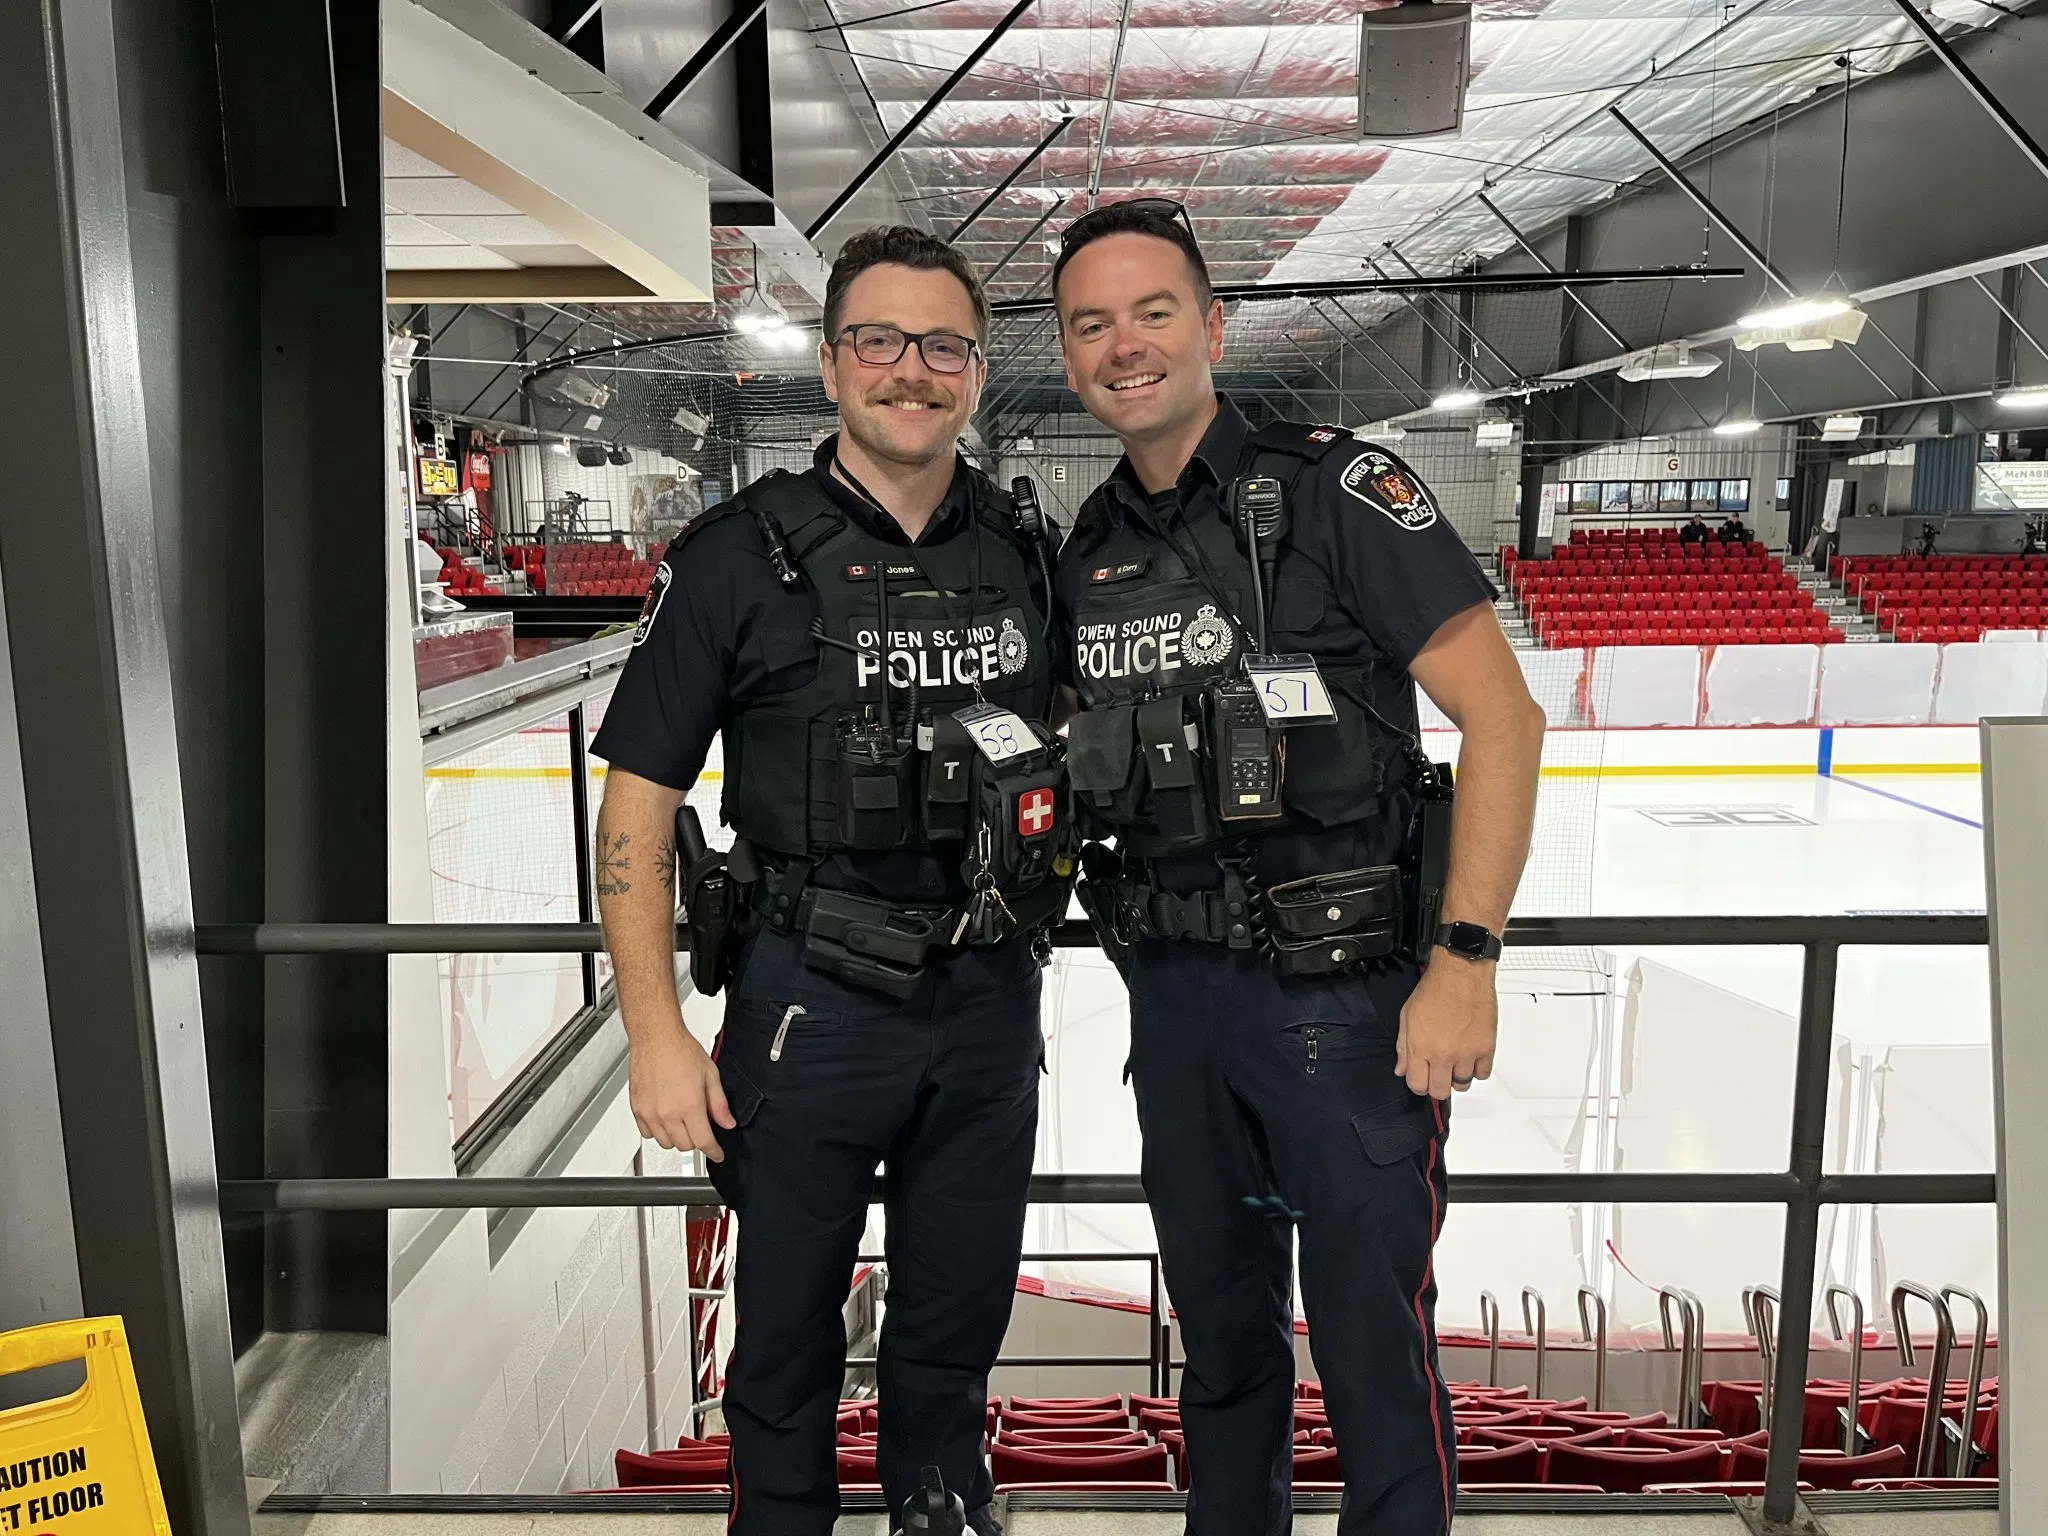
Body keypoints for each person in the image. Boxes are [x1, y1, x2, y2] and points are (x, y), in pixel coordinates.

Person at [1047, 198, 1545, 1535]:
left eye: (1154, 312)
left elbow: (1503, 719)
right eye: (1091, 324)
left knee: (1375, 1353)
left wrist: (1467, 962)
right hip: (1175, 1001)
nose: (1124, 345)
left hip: (1349, 1002)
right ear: (1068, 351)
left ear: (1212, 326)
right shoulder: (1086, 554)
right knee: (1224, 1349)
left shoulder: (1339, 492)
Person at [591, 227, 1070, 1536]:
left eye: (941, 346)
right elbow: (637, 796)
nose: (910, 371)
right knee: (784, 1352)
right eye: (879, 340)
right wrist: (652, 1032)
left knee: (952, 1340)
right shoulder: (736, 554)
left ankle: (936, 1511)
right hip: (808, 1004)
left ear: (973, 369)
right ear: (830, 359)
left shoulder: (1030, 552)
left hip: (987, 1007)